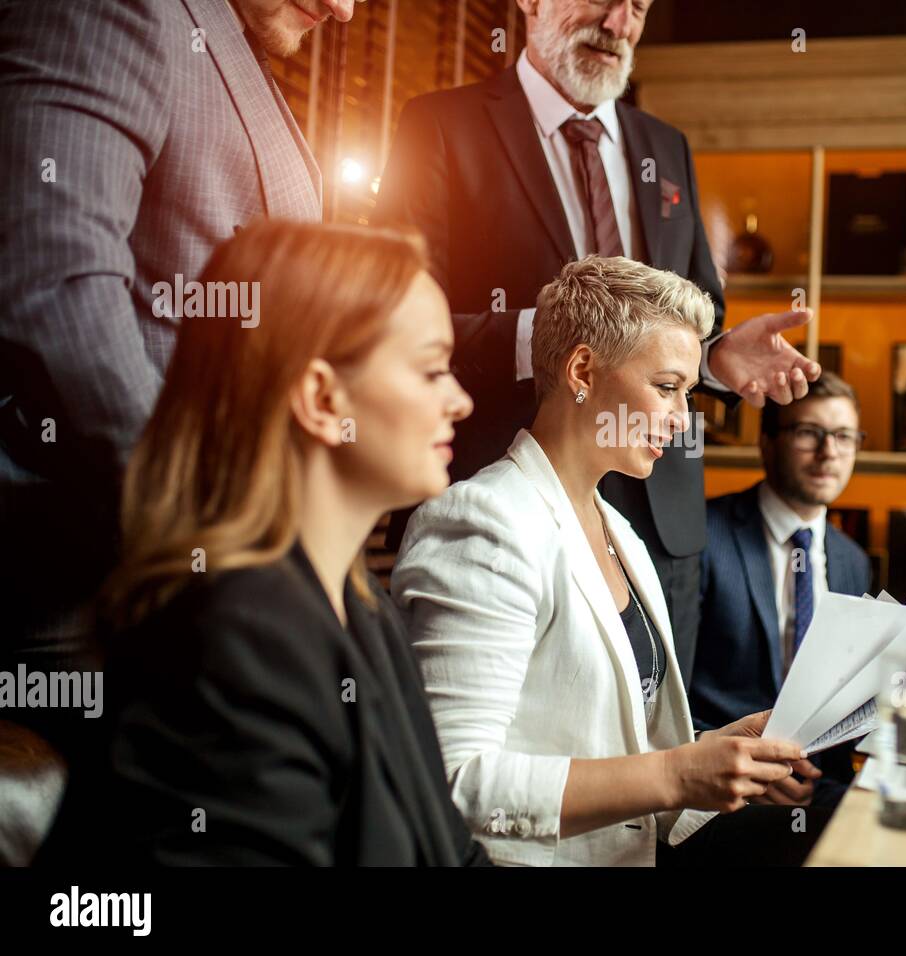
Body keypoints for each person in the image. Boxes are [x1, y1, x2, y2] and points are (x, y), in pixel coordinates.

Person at [375, 0, 820, 689]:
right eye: (600, 0)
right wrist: (556, 337)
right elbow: (400, 313)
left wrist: (717, 359)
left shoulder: (664, 147)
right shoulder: (440, 126)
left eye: (638, 6)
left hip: (659, 520)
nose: (619, 25)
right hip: (499, 500)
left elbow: (687, 320)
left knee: (649, 748)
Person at [39, 222, 489, 865]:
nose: (462, 401)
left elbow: (454, 854)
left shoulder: (368, 611)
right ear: (320, 398)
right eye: (432, 369)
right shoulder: (231, 637)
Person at [392, 256, 827, 866]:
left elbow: (614, 753)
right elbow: (454, 786)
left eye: (688, 393)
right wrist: (677, 773)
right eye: (667, 387)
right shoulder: (483, 525)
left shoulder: (619, 531)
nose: (683, 420)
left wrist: (715, 756)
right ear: (582, 370)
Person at [0, 0, 355, 737]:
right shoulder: (114, 8)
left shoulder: (225, 38)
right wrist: (207, 520)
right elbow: (58, 281)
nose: (343, 10)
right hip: (84, 570)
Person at [690, 373, 870, 807]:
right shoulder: (701, 537)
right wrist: (722, 762)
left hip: (826, 785)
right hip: (721, 790)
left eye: (844, 436)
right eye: (809, 433)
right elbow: (662, 693)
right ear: (767, 442)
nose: (829, 452)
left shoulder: (853, 560)